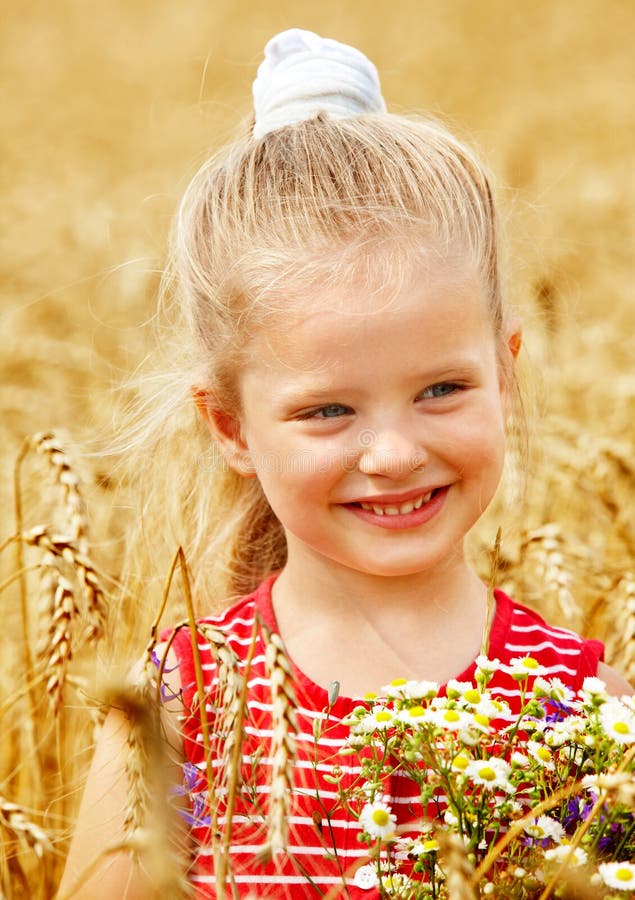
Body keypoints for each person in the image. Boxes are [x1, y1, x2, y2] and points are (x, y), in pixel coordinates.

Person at [58, 28, 632, 900]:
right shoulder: (175, 712)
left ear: (505, 373)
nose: (395, 452)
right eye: (327, 410)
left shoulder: (585, 712)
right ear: (231, 427)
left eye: (441, 388)